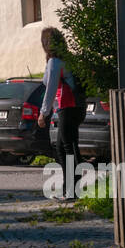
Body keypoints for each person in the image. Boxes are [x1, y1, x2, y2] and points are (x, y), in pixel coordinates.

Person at [37, 26, 83, 200]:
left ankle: (72, 190)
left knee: (66, 148)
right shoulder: (66, 59)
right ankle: (70, 188)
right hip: (76, 107)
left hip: (67, 106)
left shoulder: (55, 62)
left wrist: (43, 113)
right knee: (63, 148)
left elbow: (50, 88)